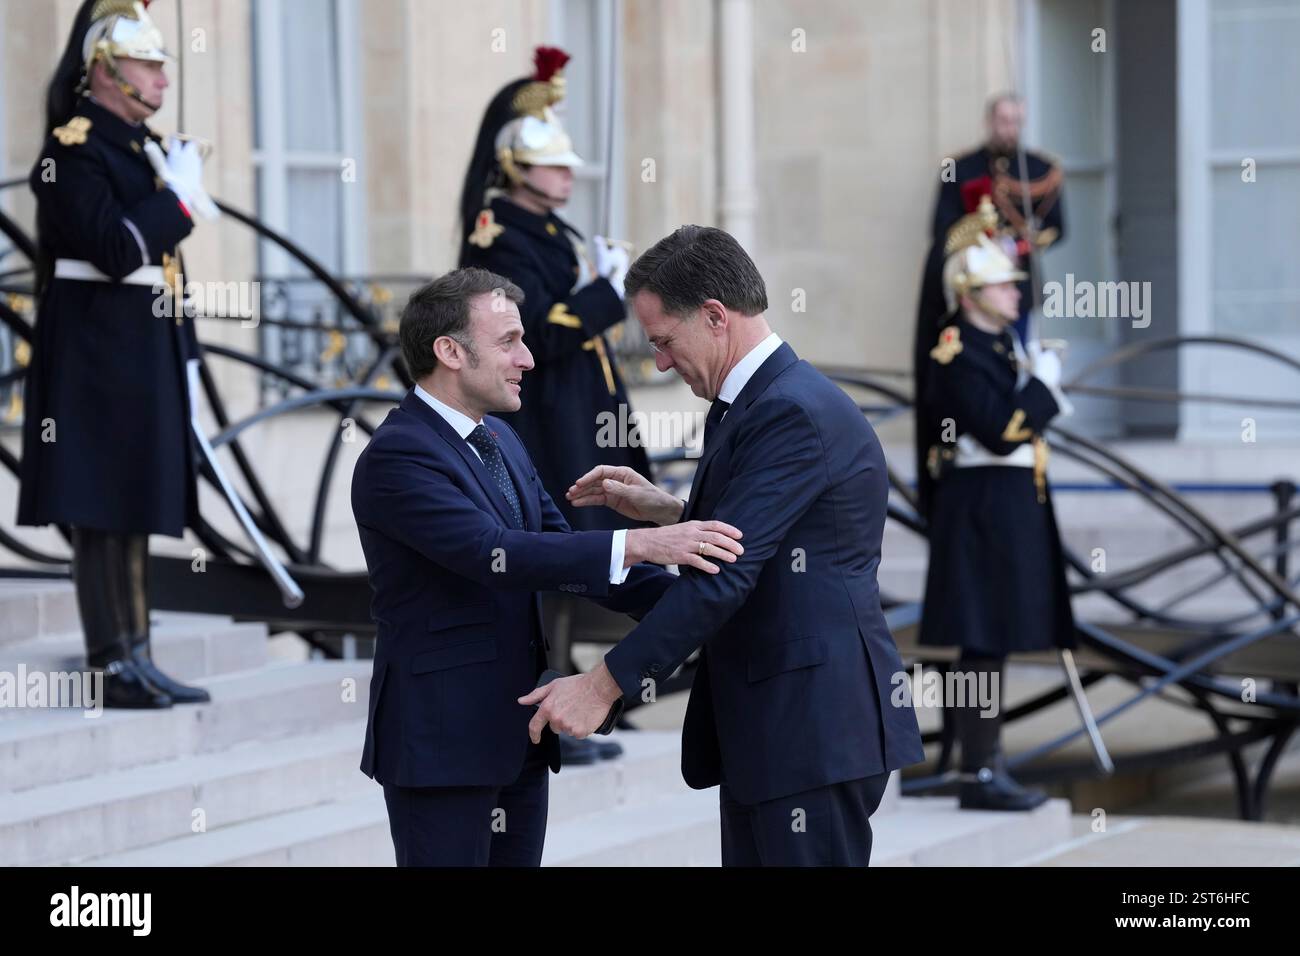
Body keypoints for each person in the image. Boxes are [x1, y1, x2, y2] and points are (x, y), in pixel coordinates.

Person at [525, 227, 926, 866]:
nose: (658, 362)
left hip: (809, 728)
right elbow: (771, 537)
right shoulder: (759, 401)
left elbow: (723, 576)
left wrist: (603, 685)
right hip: (781, 728)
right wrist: (673, 515)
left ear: (715, 316)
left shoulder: (787, 411)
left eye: (663, 341)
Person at [350, 267, 745, 866]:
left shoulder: (501, 438)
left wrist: (699, 605)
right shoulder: (399, 454)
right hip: (442, 746)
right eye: (508, 341)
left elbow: (563, 556)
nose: (529, 359)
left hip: (521, 736)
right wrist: (641, 543)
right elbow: (492, 553)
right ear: (450, 352)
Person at [17, 0, 219, 709]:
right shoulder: (74, 148)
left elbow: (166, 272)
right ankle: (110, 660)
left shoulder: (140, 147)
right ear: (104, 70)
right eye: (147, 63)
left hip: (142, 344)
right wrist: (179, 203)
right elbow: (114, 248)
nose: (161, 77)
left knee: (134, 501)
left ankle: (138, 652)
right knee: (101, 509)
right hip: (96, 348)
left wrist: (185, 354)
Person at [457, 46, 648, 763]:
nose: (569, 173)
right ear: (514, 166)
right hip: (543, 413)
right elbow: (540, 330)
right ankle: (553, 710)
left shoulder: (546, 232)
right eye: (553, 163)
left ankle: (578, 704)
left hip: (579, 407)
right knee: (556, 559)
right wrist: (604, 290)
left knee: (581, 558)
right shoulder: (501, 235)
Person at [914, 229, 1077, 811]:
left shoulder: (1001, 345)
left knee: (996, 637)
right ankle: (978, 771)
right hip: (980, 504)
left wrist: (1034, 382)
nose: (1016, 294)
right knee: (982, 638)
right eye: (1003, 286)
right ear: (970, 292)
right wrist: (1043, 389)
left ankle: (984, 763)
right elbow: (1000, 425)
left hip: (1007, 502)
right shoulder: (956, 352)